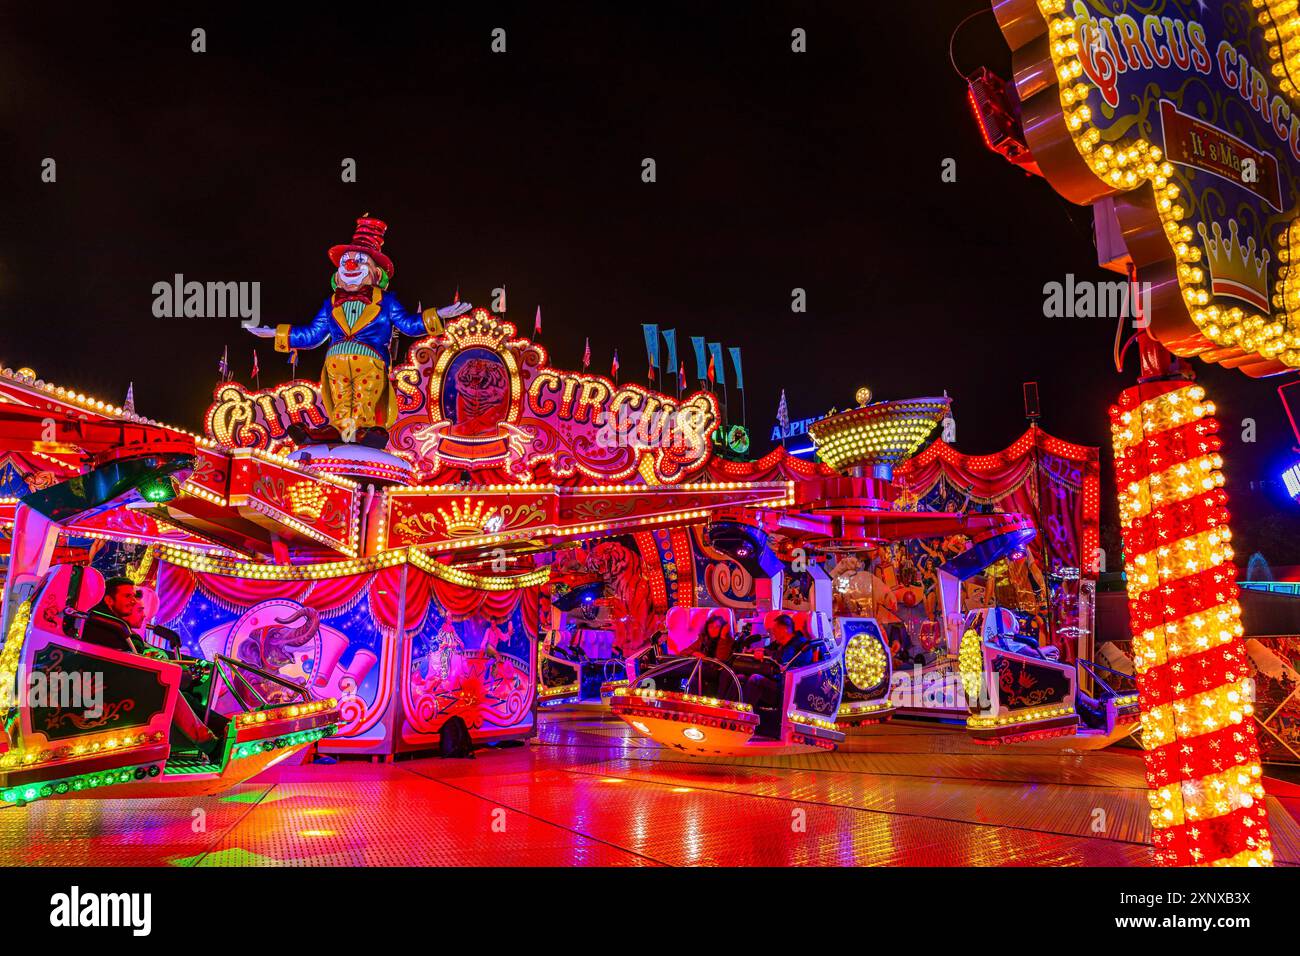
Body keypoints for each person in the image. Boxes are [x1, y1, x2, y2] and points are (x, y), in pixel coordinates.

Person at [80, 577, 220, 757]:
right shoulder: (105, 624)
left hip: (115, 683)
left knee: (179, 691)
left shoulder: (110, 623)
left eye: (133, 596)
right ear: (109, 600)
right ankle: (209, 742)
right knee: (166, 686)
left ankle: (217, 736)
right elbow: (121, 661)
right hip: (107, 689)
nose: (132, 600)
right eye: (127, 596)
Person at [742, 614, 819, 713]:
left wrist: (765, 654)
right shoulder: (781, 643)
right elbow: (768, 650)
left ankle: (744, 715)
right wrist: (755, 651)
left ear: (785, 629)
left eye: (775, 629)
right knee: (741, 677)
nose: (773, 632)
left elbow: (783, 660)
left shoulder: (800, 644)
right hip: (777, 680)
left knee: (755, 679)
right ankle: (727, 710)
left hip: (788, 688)